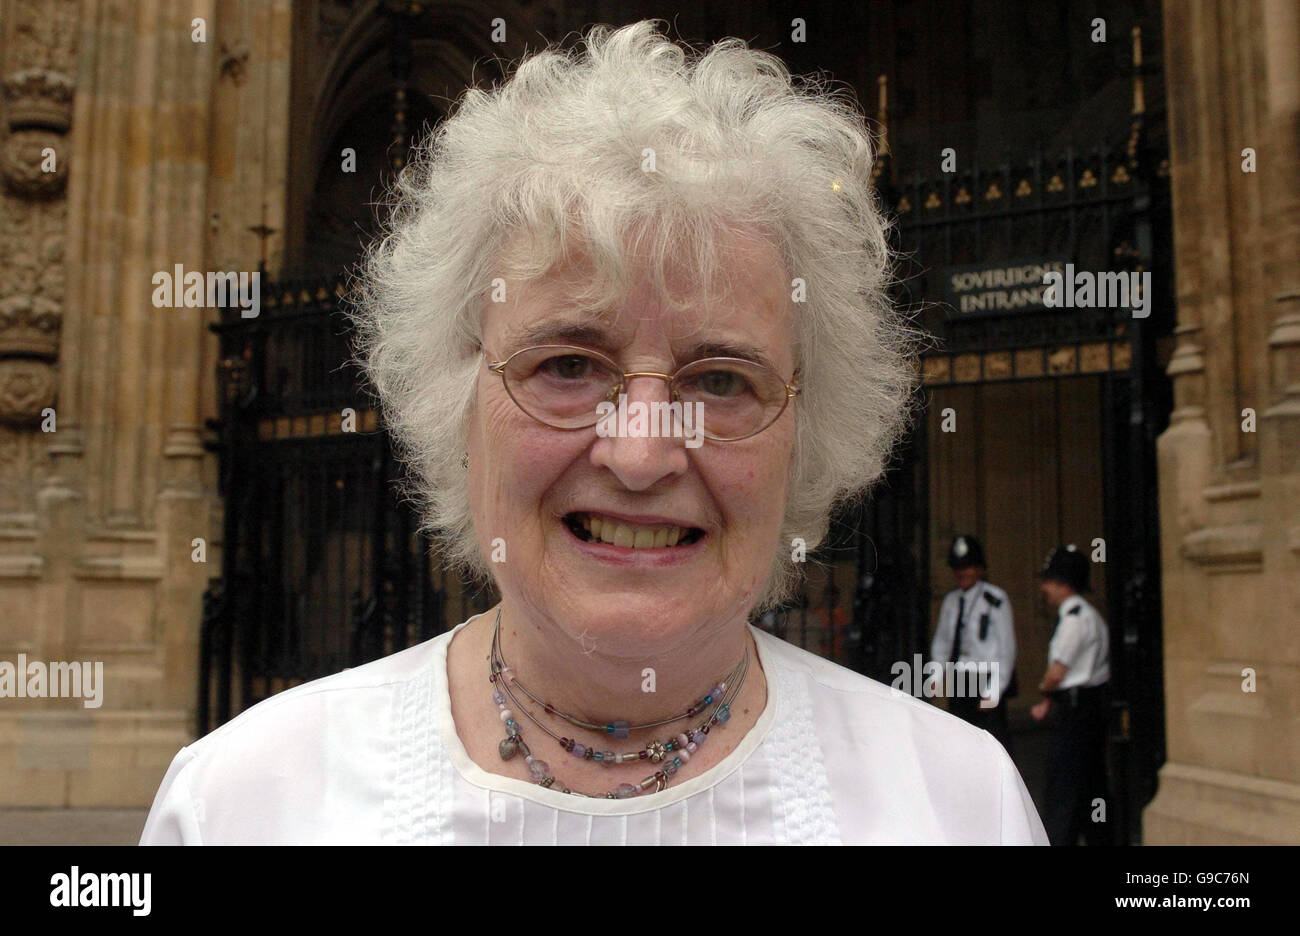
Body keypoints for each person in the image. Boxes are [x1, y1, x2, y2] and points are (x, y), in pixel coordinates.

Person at [139, 21, 1046, 845]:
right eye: (567, 368)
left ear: (808, 430)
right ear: (458, 400)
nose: (643, 453)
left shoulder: (959, 806)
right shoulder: (243, 805)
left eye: (722, 380)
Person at [1030, 545, 1111, 846]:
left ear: (1063, 583)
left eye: (1048, 581)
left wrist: (1043, 697)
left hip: (1076, 714)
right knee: (1090, 789)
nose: (1043, 589)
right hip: (1088, 709)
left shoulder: (1075, 618)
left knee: (1063, 790)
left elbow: (1057, 671)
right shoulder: (1090, 615)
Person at [929, 534, 1016, 751]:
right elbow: (942, 643)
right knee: (961, 741)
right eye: (957, 567)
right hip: (961, 680)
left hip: (986, 676)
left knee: (992, 743)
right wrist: (936, 675)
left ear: (979, 568)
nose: (962, 573)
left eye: (967, 567)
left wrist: (994, 690)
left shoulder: (995, 599)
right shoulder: (951, 601)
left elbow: (1007, 649)